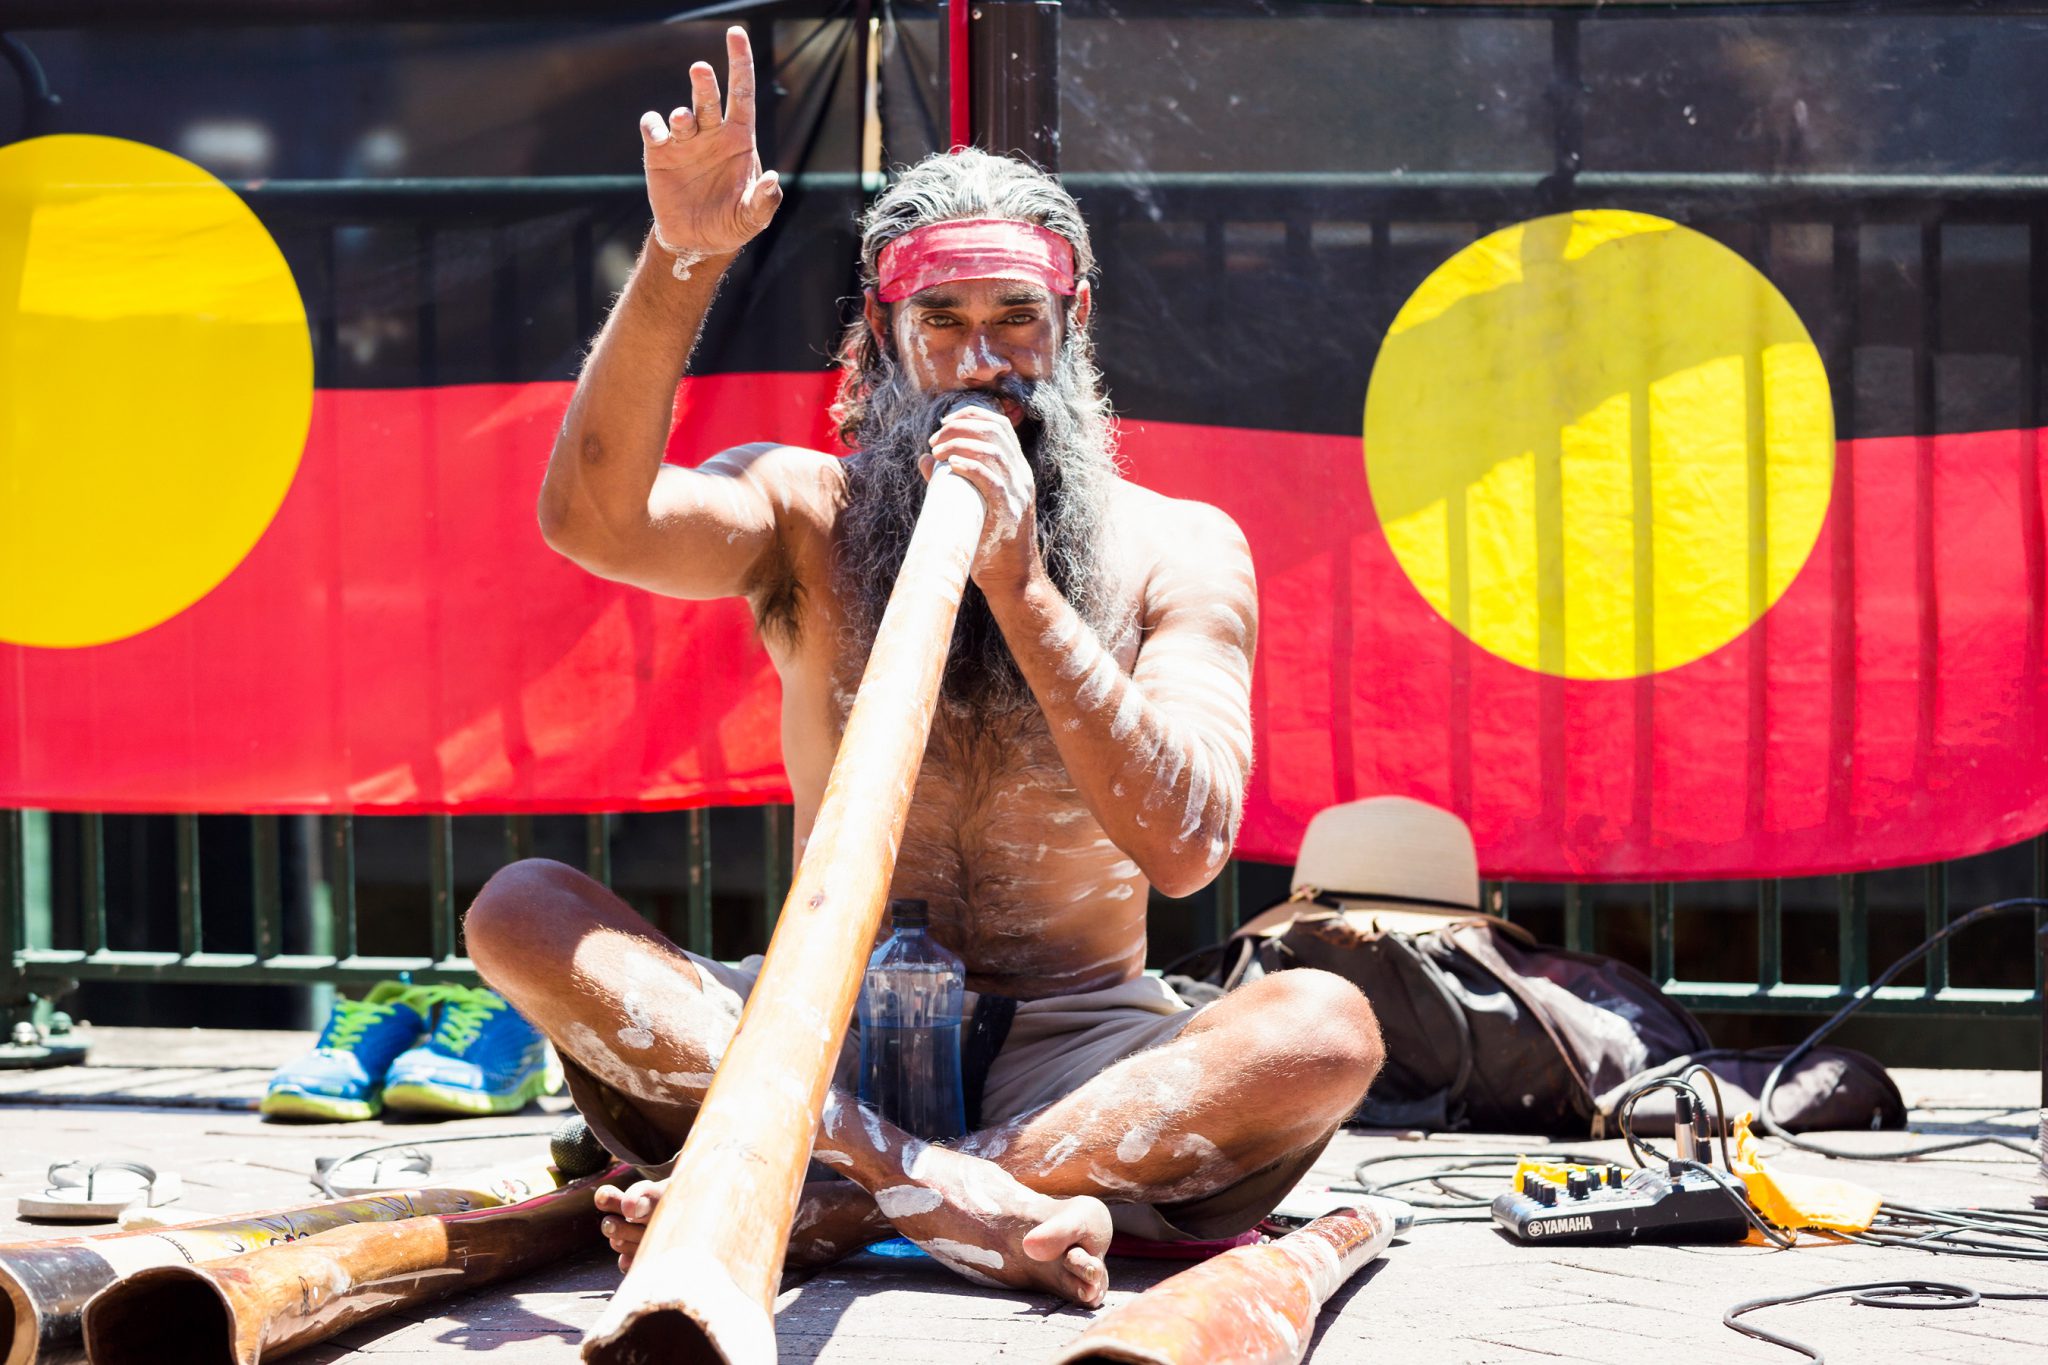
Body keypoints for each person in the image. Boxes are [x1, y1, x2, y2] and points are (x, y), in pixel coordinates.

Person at [464, 25, 1382, 1308]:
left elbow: (1186, 847)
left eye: (1016, 318)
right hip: (808, 1031)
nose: (979, 360)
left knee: (1324, 1027)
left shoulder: (1176, 544)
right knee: (520, 910)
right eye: (938, 322)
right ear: (882, 339)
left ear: (1074, 324)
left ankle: (828, 1201)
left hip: (1076, 1046)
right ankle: (939, 1193)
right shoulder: (809, 512)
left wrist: (1023, 587)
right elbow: (594, 524)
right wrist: (683, 261)